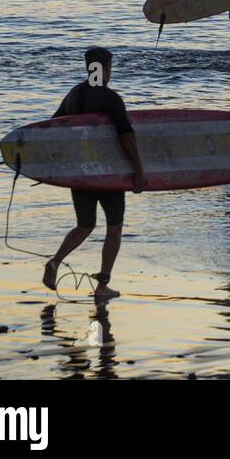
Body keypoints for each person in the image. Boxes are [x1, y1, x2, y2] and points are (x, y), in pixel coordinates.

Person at [44, 47, 146, 301]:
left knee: (85, 224)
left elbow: (53, 128)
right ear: (107, 67)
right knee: (114, 227)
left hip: (80, 173)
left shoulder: (74, 95)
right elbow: (127, 137)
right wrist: (139, 170)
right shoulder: (111, 98)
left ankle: (55, 262)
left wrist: (51, 167)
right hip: (108, 174)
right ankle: (102, 285)